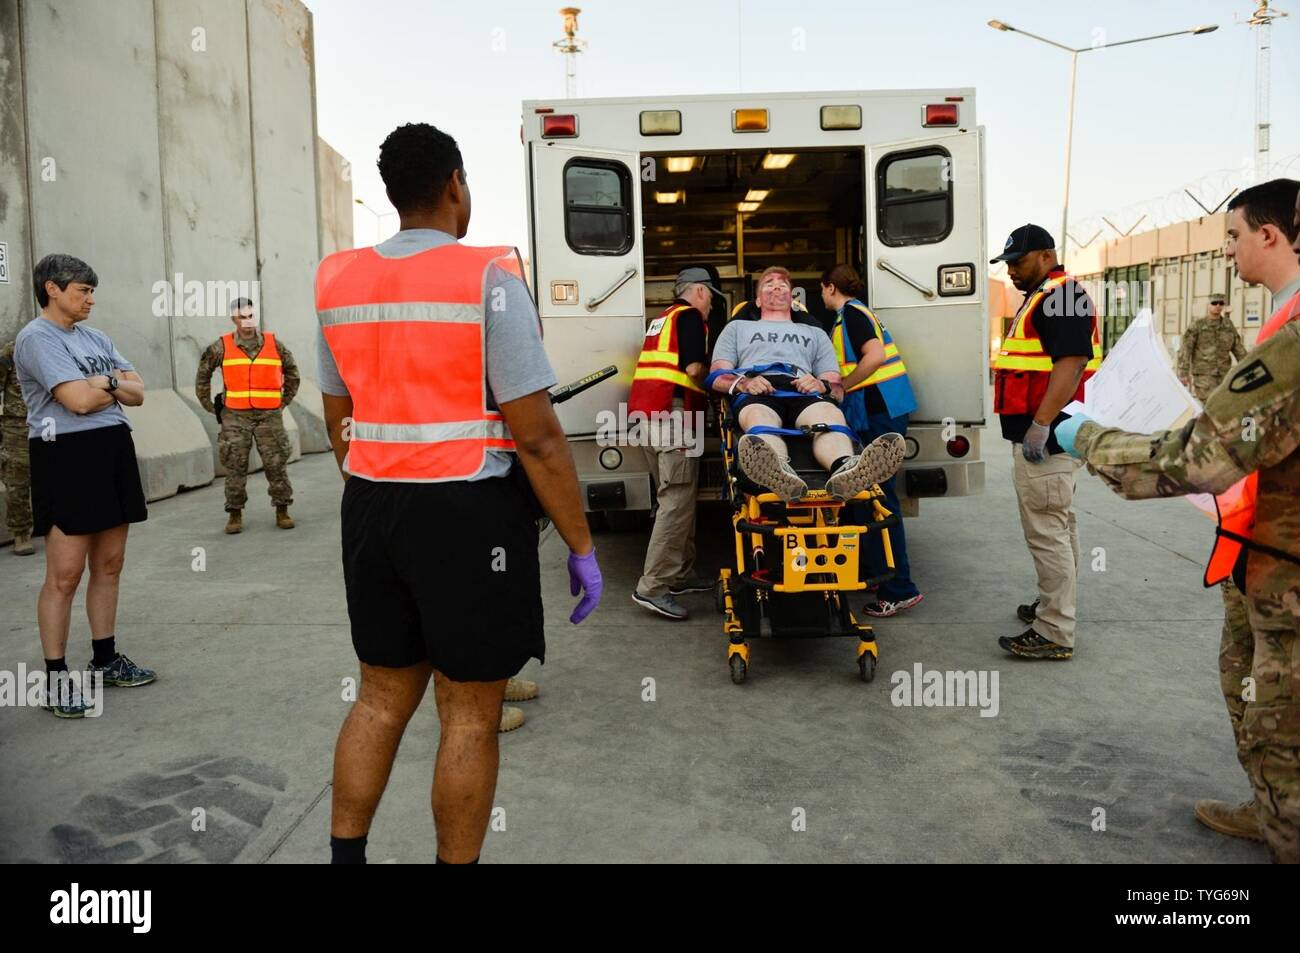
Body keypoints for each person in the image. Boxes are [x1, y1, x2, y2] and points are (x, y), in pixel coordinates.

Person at [317, 123, 601, 865]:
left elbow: (338, 420)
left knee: (379, 698)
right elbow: (537, 436)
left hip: (371, 506)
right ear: (454, 183)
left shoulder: (336, 280)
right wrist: (581, 544)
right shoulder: (488, 280)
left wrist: (381, 487)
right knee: (470, 716)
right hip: (468, 517)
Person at [1057, 184, 1300, 861]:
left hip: (1287, 571)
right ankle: (1272, 806)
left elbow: (1199, 461)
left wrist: (1087, 439)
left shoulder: (1295, 339)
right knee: (1251, 689)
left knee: (1280, 722)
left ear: (1273, 236)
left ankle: (1289, 828)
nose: (1226, 249)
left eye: (1234, 235)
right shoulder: (1281, 323)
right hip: (1258, 551)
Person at [13, 254, 156, 718]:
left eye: (92, 291)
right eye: (82, 290)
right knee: (66, 574)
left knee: (110, 564)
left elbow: (139, 391)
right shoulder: (37, 338)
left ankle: (105, 659)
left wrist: (105, 381)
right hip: (67, 457)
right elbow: (75, 402)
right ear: (51, 289)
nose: (90, 299)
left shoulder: (96, 337)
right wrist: (113, 387)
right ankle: (56, 678)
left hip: (112, 449)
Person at [989, 224, 1102, 660]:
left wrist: (1040, 424)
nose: (1013, 271)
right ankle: (1055, 606)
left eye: (1019, 261)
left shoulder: (1062, 296)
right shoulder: (1044, 295)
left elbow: (1070, 366)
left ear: (1045, 255)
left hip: (1048, 438)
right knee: (1058, 524)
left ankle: (1054, 629)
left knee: (1047, 531)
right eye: (1009, 264)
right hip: (1050, 435)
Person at [708, 266, 904, 502]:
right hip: (758, 389)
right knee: (760, 418)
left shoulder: (815, 333)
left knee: (829, 416)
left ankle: (846, 468)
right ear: (758, 300)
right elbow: (718, 375)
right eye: (768, 283)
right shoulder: (737, 328)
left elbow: (836, 387)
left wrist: (822, 385)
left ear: (792, 298)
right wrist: (744, 384)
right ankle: (778, 471)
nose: (777, 285)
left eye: (783, 284)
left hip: (803, 388)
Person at [821, 264, 922, 617]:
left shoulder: (851, 314)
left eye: (822, 290)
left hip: (880, 411)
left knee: (881, 498)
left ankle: (900, 588)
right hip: (883, 409)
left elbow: (875, 356)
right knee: (871, 496)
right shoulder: (855, 314)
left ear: (829, 287)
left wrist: (843, 386)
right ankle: (881, 575)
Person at [628, 267, 714, 621]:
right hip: (673, 416)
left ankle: (681, 574)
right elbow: (694, 369)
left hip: (646, 416)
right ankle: (653, 588)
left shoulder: (661, 319)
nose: (710, 305)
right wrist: (724, 382)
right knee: (675, 501)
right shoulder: (690, 317)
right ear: (698, 292)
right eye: (710, 297)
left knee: (678, 496)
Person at [194, 297, 299, 533]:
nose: (248, 320)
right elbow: (203, 374)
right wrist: (210, 406)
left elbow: (292, 373)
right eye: (242, 316)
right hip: (235, 417)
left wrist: (282, 403)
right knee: (235, 465)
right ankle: (234, 514)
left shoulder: (275, 345)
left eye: (251, 315)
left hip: (268, 416)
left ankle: (282, 510)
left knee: (276, 464)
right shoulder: (221, 346)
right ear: (234, 318)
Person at [1, 340, 35, 555]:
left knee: (57, 477)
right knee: (17, 478)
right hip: (17, 425)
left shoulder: (59, 346)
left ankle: (53, 523)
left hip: (51, 420)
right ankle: (21, 532)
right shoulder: (12, 350)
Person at [1177, 295, 1246, 400]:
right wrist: (1183, 373)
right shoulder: (1197, 326)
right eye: (1214, 303)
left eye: (1221, 303)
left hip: (1223, 375)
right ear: (1208, 306)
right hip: (1204, 376)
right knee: (1209, 405)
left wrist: (1249, 365)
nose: (1218, 306)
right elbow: (1186, 348)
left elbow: (1238, 348)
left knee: (1222, 405)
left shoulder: (1228, 326)